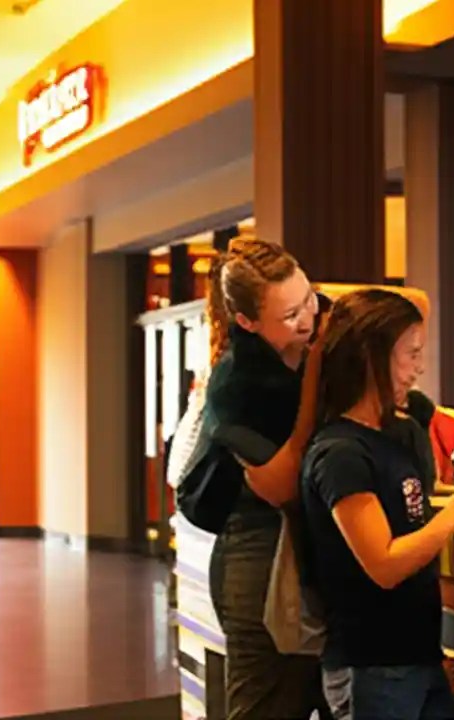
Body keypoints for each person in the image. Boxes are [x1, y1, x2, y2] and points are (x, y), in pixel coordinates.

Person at [301, 289, 454, 720]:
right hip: (370, 664)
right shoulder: (340, 452)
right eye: (411, 355)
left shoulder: (398, 435)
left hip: (416, 655)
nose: (419, 369)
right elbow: (384, 564)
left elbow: (411, 522)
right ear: (370, 357)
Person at [183, 236, 327, 718]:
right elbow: (281, 484)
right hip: (256, 555)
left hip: (312, 553)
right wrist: (314, 385)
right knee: (266, 702)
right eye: (289, 316)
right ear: (246, 322)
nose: (308, 318)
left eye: (308, 298)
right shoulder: (237, 385)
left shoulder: (316, 320)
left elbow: (412, 306)